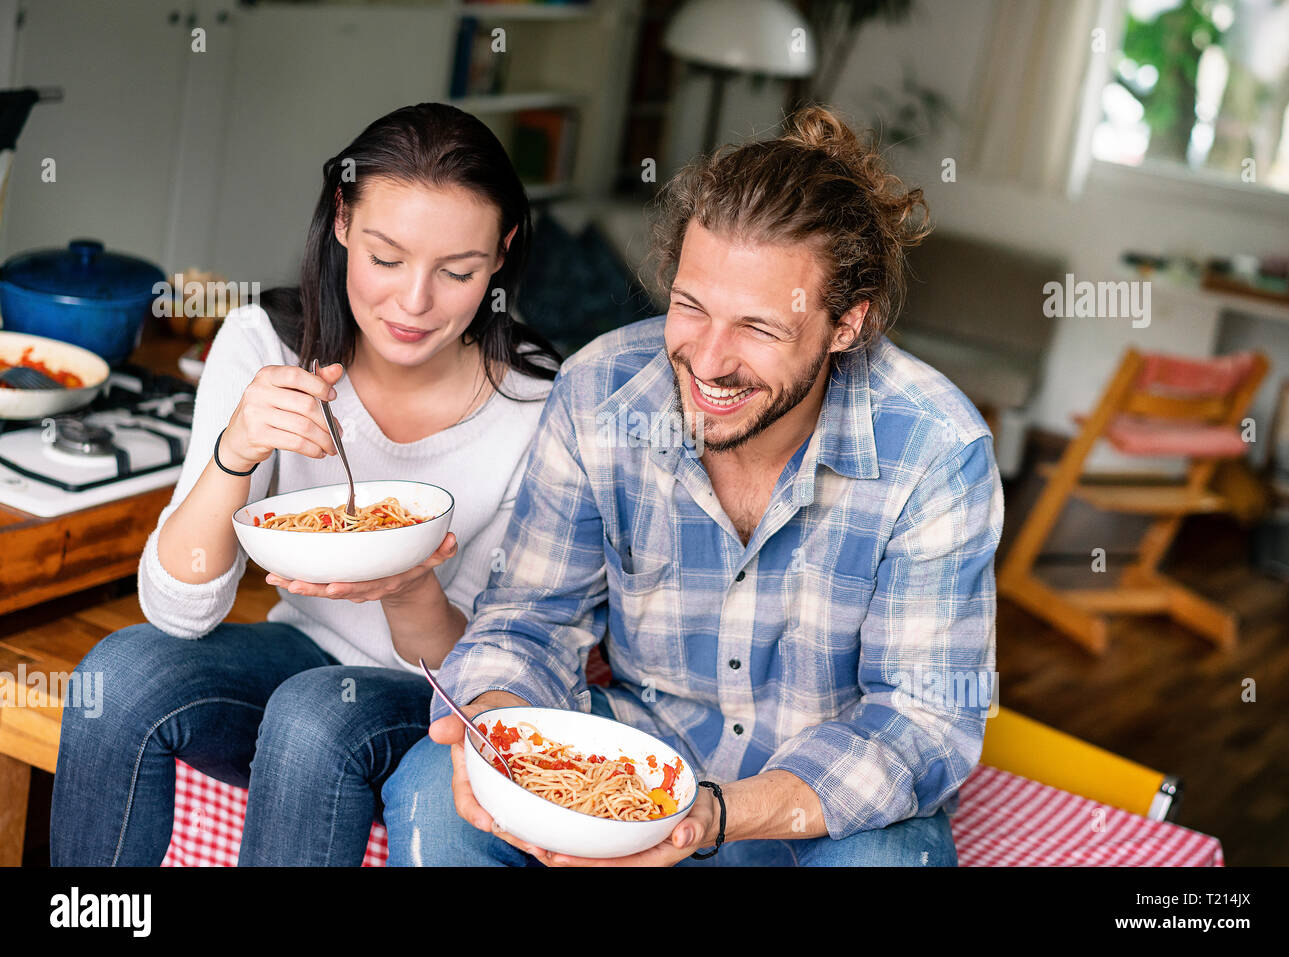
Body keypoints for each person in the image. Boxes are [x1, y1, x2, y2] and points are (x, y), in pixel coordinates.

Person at [382, 105, 1003, 867]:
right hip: (647, 751)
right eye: (689, 306)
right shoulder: (597, 392)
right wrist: (498, 727)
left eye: (759, 328)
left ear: (849, 326)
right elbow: (529, 619)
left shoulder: (937, 450)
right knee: (430, 787)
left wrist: (709, 816)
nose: (707, 362)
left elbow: (924, 722)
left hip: (815, 805)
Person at [50, 103, 559, 866]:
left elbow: (500, 672)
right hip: (297, 650)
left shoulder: (540, 405)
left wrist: (410, 585)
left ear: (501, 254)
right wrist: (236, 452)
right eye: (386, 259)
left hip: (437, 691)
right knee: (119, 674)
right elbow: (177, 609)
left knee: (316, 713)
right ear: (344, 220)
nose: (415, 303)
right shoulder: (266, 345)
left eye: (458, 272)